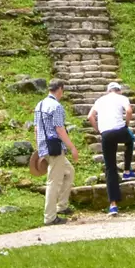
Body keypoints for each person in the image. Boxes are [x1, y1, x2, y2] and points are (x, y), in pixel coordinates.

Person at [34, 79, 79, 227]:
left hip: (44, 147)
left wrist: (39, 149)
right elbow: (59, 129)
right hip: (55, 148)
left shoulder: (39, 105)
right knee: (53, 182)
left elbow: (36, 129)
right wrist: (72, 147)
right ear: (60, 89)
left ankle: (62, 206)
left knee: (69, 171)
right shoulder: (56, 106)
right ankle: (50, 217)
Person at [87, 81, 134, 217]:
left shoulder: (100, 100)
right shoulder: (122, 98)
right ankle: (126, 170)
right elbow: (129, 111)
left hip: (106, 134)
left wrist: (99, 130)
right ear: (118, 90)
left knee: (110, 167)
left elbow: (90, 116)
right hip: (120, 130)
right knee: (130, 139)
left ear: (108, 91)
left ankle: (113, 205)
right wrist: (126, 124)